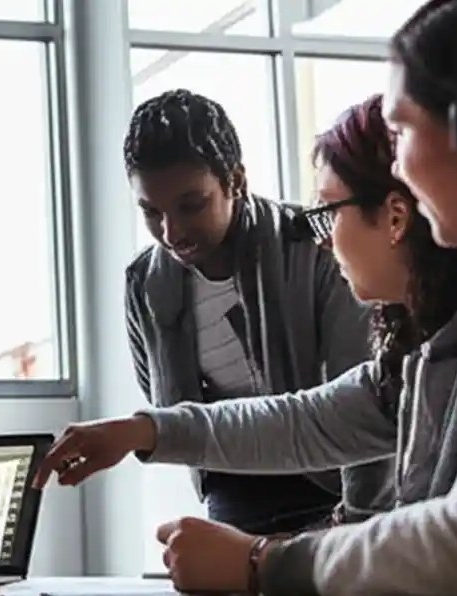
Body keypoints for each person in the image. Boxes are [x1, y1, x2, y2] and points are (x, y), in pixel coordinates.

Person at [150, 0, 457, 596]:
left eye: (403, 130)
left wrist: (262, 560)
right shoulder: (425, 345)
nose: (400, 166)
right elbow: (306, 419)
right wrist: (151, 430)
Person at [37, 95, 457, 524]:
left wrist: (277, 555)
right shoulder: (408, 365)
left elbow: (454, 542)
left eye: (329, 212)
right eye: (152, 212)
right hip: (240, 485)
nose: (322, 238)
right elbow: (307, 420)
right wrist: (143, 430)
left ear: (396, 217)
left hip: (332, 495)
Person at [119, 89, 386, 532]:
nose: (171, 231)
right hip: (233, 486)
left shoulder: (316, 247)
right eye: (151, 211)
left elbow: (364, 404)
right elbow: (158, 390)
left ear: (236, 182)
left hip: (332, 482)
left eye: (191, 205)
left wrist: (361, 524)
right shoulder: (143, 284)